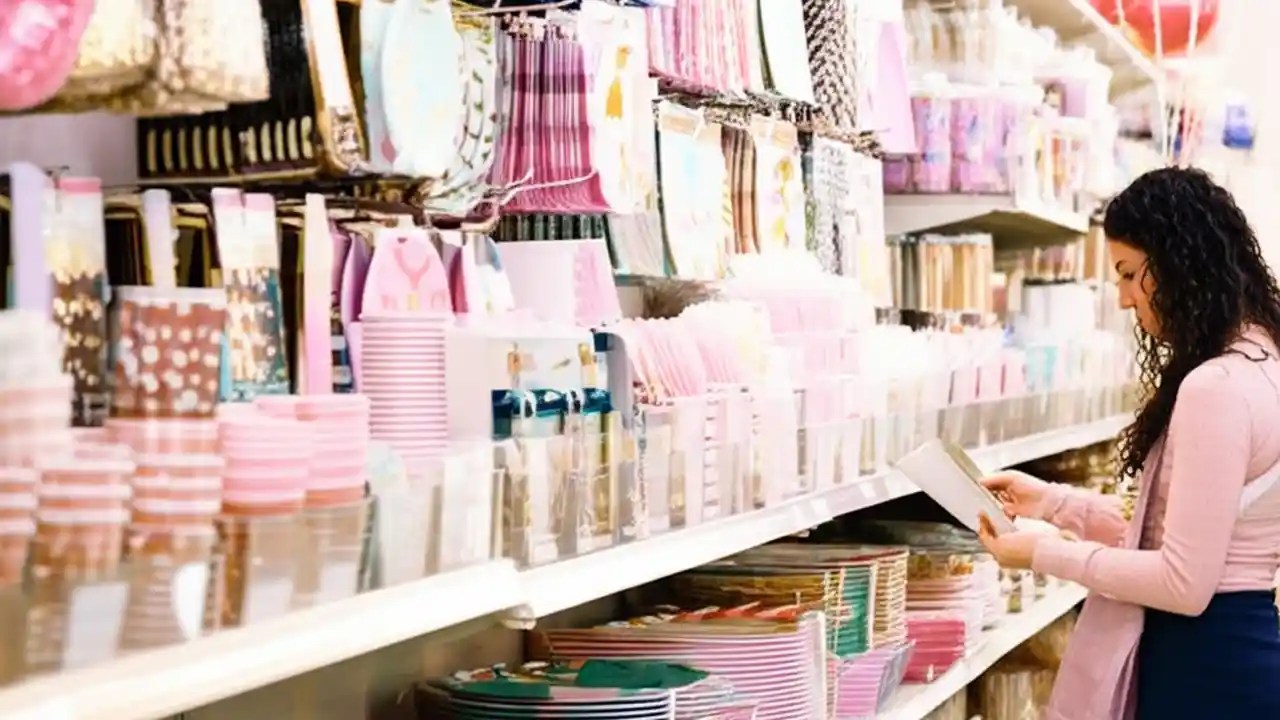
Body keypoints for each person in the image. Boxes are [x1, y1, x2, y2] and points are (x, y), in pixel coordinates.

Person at [975, 166, 1280, 720]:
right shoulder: (1264, 363)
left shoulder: (1216, 386)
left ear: (1178, 262)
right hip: (1235, 654)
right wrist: (1053, 503)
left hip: (1204, 668)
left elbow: (1183, 582)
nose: (1122, 299)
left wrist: (1041, 553)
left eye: (1129, 274)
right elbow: (1180, 535)